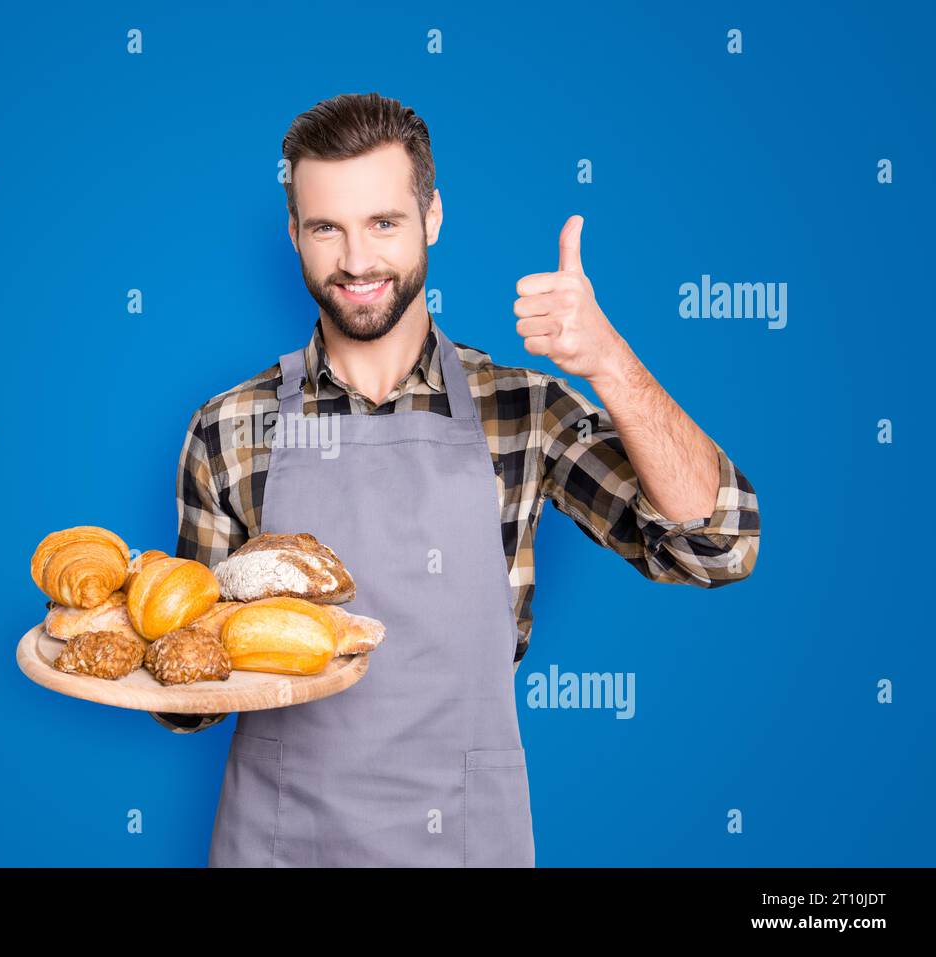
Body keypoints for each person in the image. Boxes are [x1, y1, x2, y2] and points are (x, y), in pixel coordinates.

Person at [152, 92, 760, 867]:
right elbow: (188, 698)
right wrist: (136, 637)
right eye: (325, 228)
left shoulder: (523, 411)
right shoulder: (231, 427)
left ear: (432, 217)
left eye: (383, 222)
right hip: (279, 845)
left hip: (468, 842)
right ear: (295, 236)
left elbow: (719, 545)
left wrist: (610, 360)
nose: (357, 259)